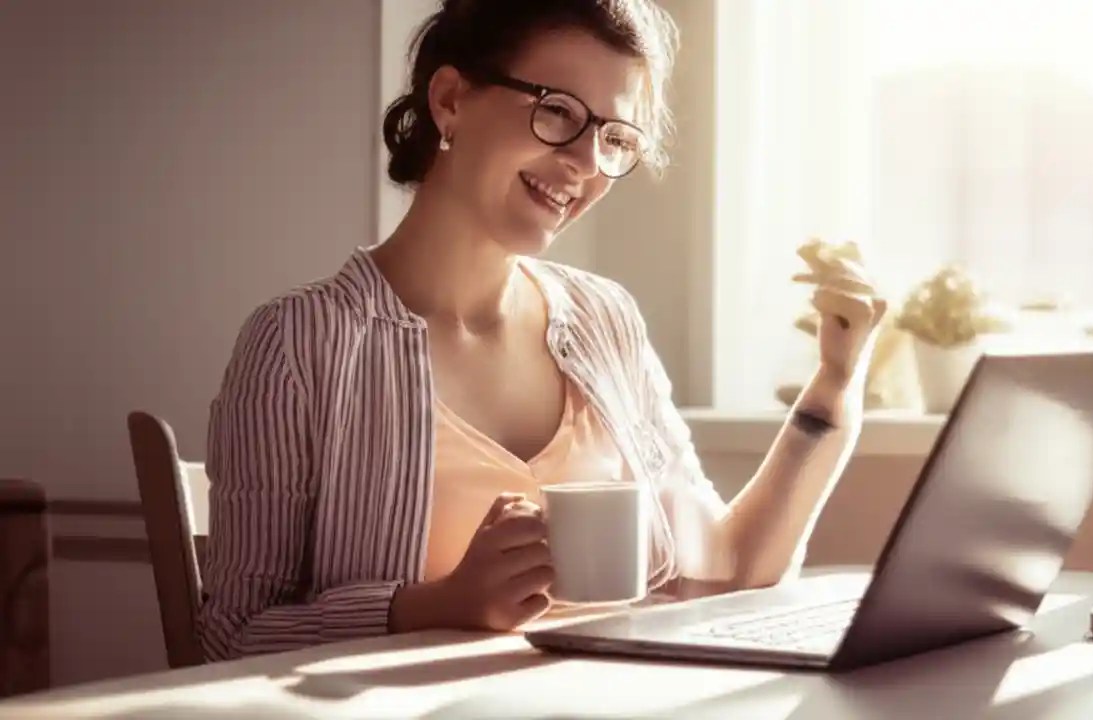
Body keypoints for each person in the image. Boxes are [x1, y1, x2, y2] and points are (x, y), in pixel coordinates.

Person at [197, 0, 886, 662]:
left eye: (615, 138)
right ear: (450, 101)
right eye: (557, 112)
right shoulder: (299, 343)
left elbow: (725, 568)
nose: (587, 164)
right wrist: (434, 605)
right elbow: (229, 640)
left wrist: (835, 387)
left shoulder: (606, 322)